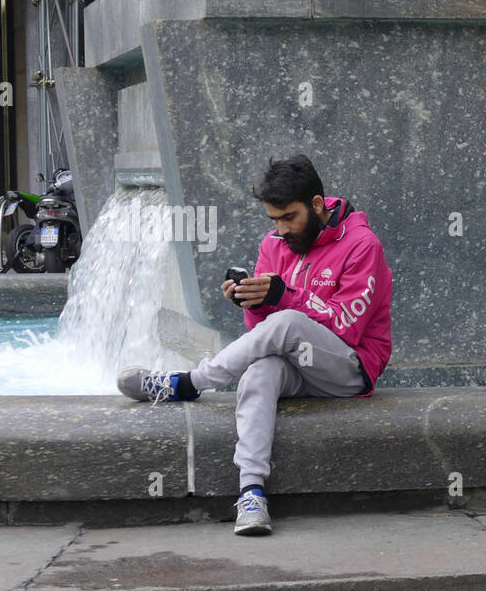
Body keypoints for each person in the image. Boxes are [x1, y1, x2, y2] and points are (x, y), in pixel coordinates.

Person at [117, 155, 393, 535]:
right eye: (274, 220)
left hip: (350, 369)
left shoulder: (363, 244)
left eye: (289, 217)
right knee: (261, 371)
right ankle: (251, 494)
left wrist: (285, 298)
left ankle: (189, 383)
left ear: (316, 204)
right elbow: (262, 331)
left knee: (288, 321)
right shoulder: (274, 244)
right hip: (299, 366)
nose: (281, 229)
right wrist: (254, 301)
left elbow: (348, 328)